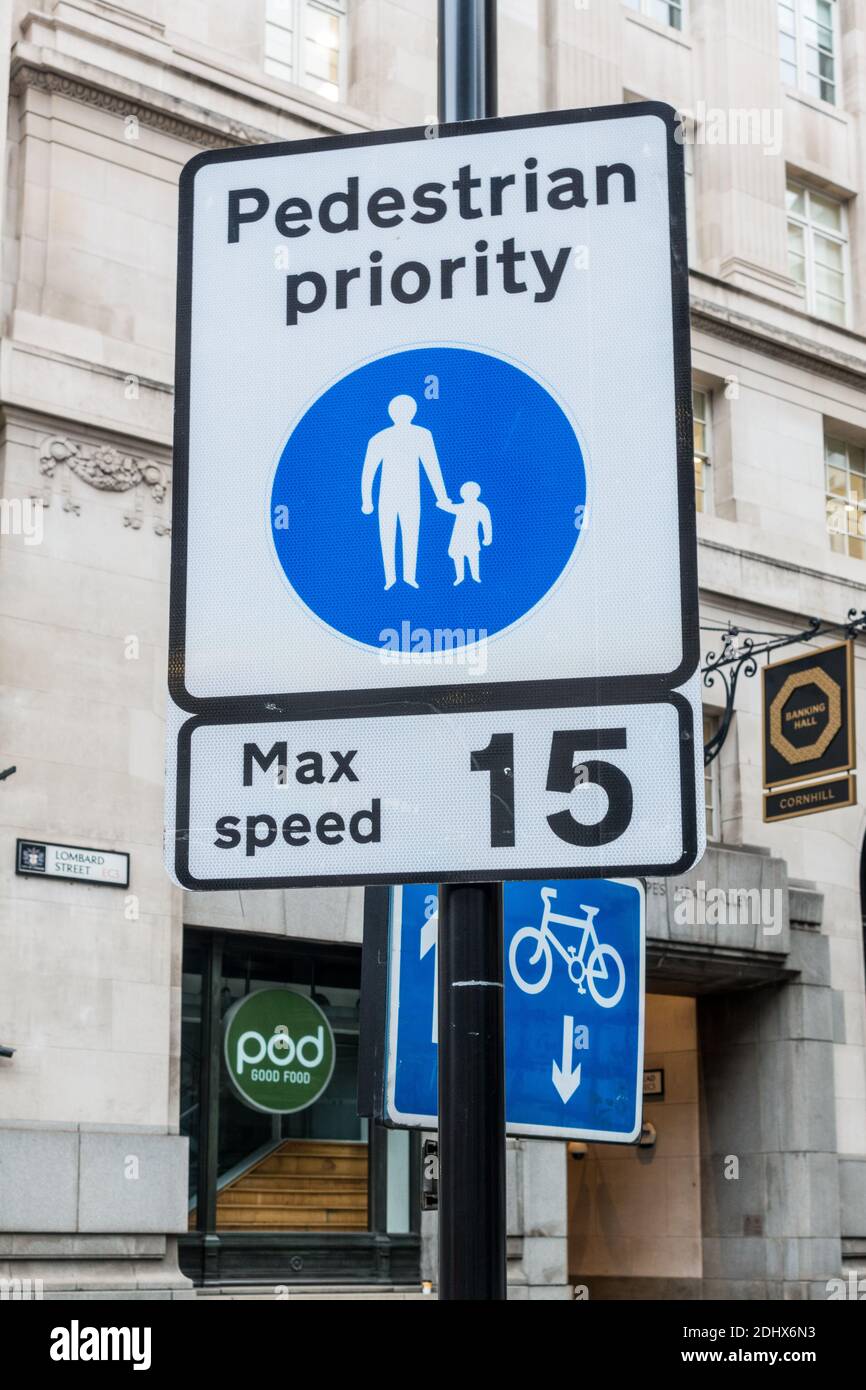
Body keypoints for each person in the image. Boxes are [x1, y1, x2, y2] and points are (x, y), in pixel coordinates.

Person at [361, 395, 451, 590]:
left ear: (413, 412)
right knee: (388, 535)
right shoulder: (379, 438)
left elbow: (432, 467)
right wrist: (366, 500)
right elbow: (368, 471)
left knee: (410, 535)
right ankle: (390, 578)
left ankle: (409, 576)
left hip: (411, 497)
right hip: (387, 497)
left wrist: (442, 496)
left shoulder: (422, 435)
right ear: (392, 413)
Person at [443, 481, 492, 585]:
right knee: (458, 556)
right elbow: (450, 508)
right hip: (458, 538)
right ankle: (459, 577)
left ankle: (476, 576)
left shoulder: (481, 508)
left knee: (473, 556)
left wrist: (488, 538)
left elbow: (486, 524)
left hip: (472, 538)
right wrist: (442, 504)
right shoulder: (461, 506)